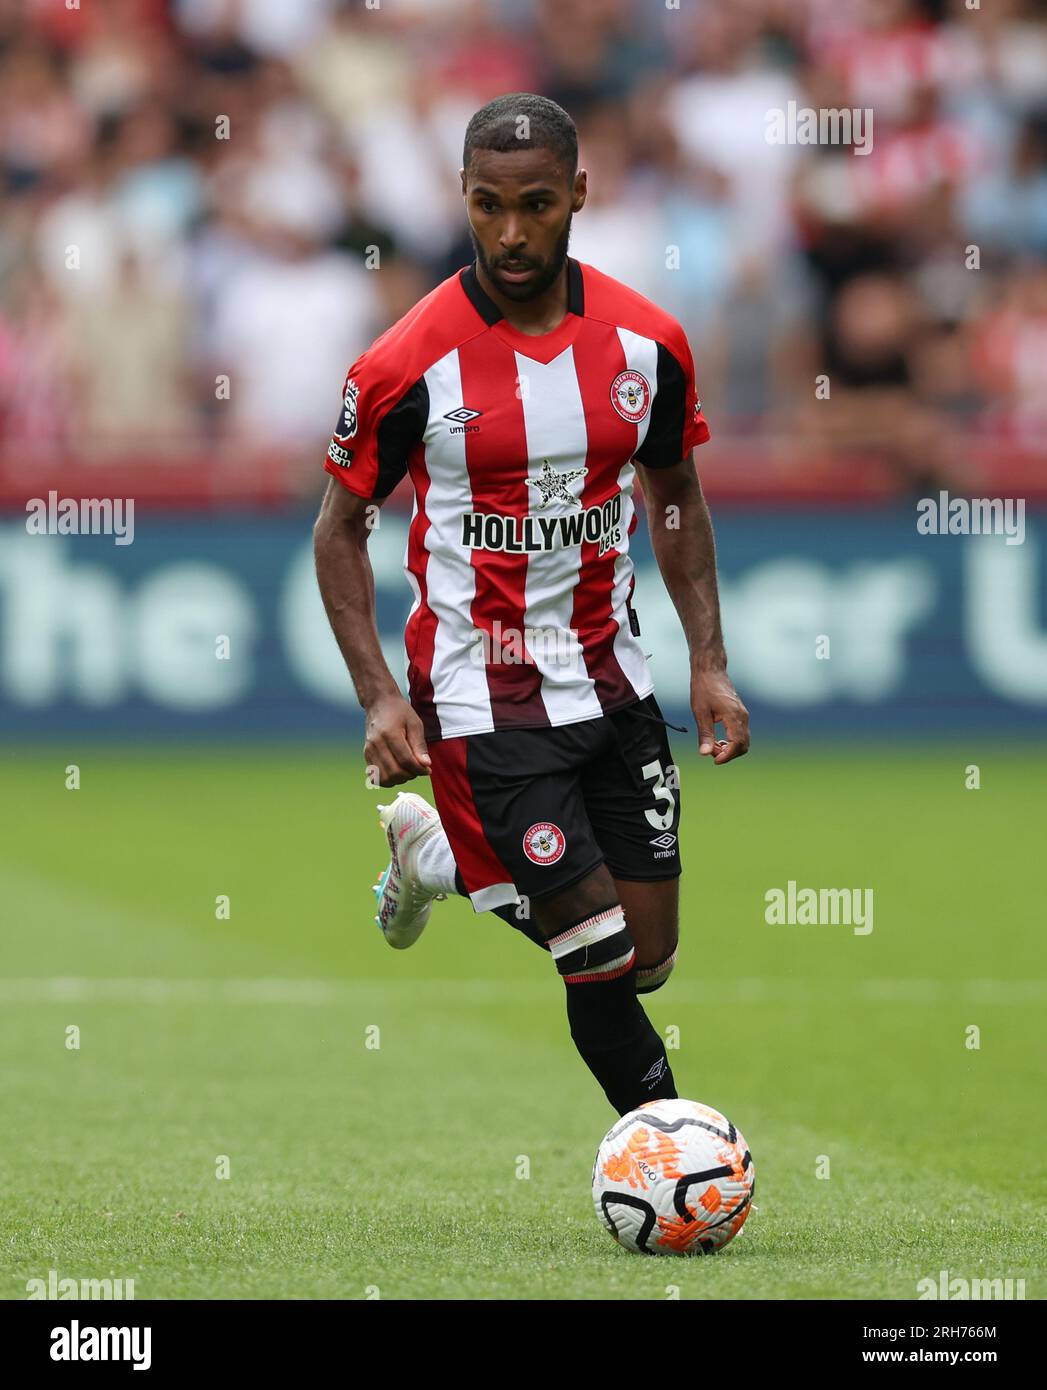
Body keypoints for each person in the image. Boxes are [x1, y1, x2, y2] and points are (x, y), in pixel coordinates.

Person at [313, 93, 749, 1117]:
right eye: (488, 205)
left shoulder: (649, 347)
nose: (511, 233)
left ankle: (435, 856)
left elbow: (676, 495)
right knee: (593, 951)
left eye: (537, 204)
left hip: (612, 677)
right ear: (462, 200)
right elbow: (338, 530)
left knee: (647, 957)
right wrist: (382, 696)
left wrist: (709, 661)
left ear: (579, 197)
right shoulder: (404, 364)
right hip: (480, 696)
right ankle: (676, 1156)